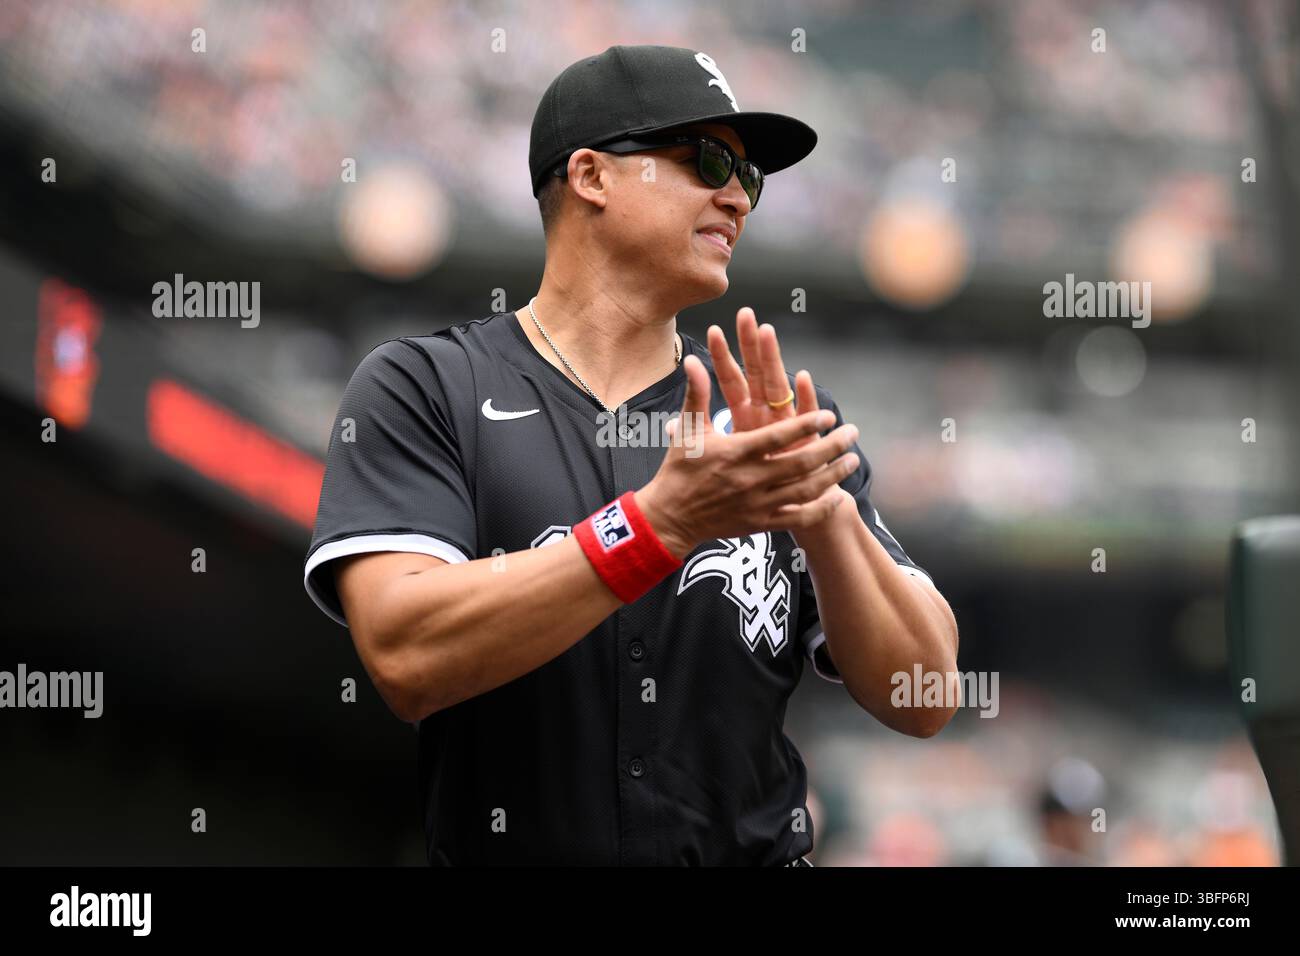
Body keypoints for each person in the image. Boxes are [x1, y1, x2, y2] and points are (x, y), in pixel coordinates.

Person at [303, 44, 958, 866]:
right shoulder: (425, 385)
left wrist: (822, 514)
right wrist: (659, 525)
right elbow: (405, 653)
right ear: (591, 176)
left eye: (749, 177)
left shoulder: (778, 428)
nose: (737, 197)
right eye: (707, 159)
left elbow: (924, 693)